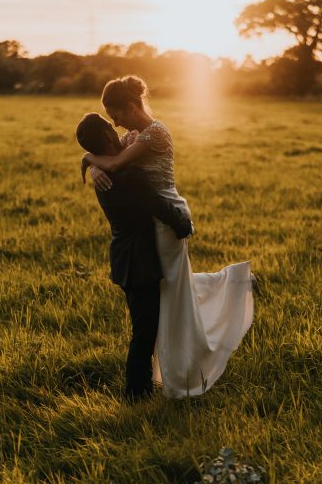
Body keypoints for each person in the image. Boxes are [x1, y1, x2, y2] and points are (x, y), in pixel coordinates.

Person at [81, 76, 254, 398]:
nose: (116, 125)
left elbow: (117, 163)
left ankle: (182, 370)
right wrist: (94, 168)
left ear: (132, 106)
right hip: (157, 216)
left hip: (167, 216)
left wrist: (89, 160)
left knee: (173, 292)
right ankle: (228, 285)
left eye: (117, 115)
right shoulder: (133, 135)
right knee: (173, 289)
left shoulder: (154, 134)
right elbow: (116, 165)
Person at [75, 112, 193, 403]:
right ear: (105, 137)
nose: (117, 129)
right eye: (109, 126)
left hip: (124, 258)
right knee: (144, 330)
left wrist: (91, 161)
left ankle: (141, 387)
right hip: (139, 262)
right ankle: (135, 393)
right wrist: (184, 225)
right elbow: (159, 207)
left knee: (144, 326)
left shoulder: (107, 173)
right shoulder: (128, 176)